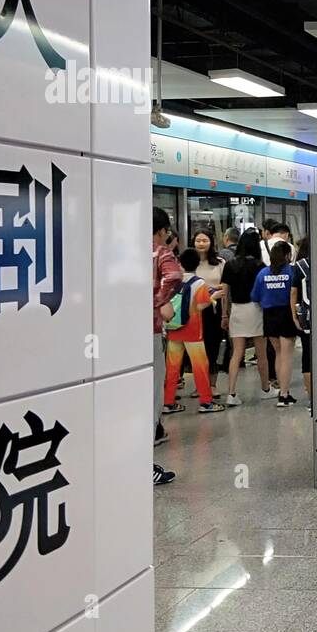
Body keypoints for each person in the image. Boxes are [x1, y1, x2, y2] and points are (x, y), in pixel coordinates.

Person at [162, 248, 225, 415]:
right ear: (197, 264)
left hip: (173, 329)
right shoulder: (199, 283)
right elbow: (200, 305)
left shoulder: (172, 281)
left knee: (173, 366)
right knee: (200, 365)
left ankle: (168, 402)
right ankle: (206, 401)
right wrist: (214, 297)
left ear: (180, 263)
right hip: (192, 331)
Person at [220, 229, 271, 405]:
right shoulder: (260, 266)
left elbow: (224, 293)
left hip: (237, 310)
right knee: (261, 353)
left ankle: (231, 393)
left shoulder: (230, 264)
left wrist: (224, 315)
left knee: (237, 353)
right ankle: (265, 388)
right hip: (256, 310)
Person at [151, 207, 180, 485]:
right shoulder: (159, 252)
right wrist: (158, 301)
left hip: (120, 335)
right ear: (161, 232)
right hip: (149, 332)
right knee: (151, 397)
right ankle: (145, 465)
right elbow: (173, 278)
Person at [252, 241, 298, 407]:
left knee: (278, 353)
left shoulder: (262, 273)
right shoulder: (291, 272)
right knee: (287, 355)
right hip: (286, 314)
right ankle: (284, 394)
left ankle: (281, 390)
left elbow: (255, 296)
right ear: (287, 255)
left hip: (269, 316)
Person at [191, 229, 228, 386]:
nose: (201, 244)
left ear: (211, 242)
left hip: (214, 309)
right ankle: (200, 385)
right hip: (194, 309)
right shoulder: (188, 263)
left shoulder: (220, 263)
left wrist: (224, 315)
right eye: (198, 240)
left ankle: (212, 385)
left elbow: (225, 289)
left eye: (204, 240)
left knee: (213, 347)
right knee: (196, 350)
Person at [290, 235, 312, 403]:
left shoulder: (299, 266)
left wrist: (294, 315)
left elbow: (294, 293)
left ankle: (312, 398)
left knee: (307, 355)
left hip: (307, 317)